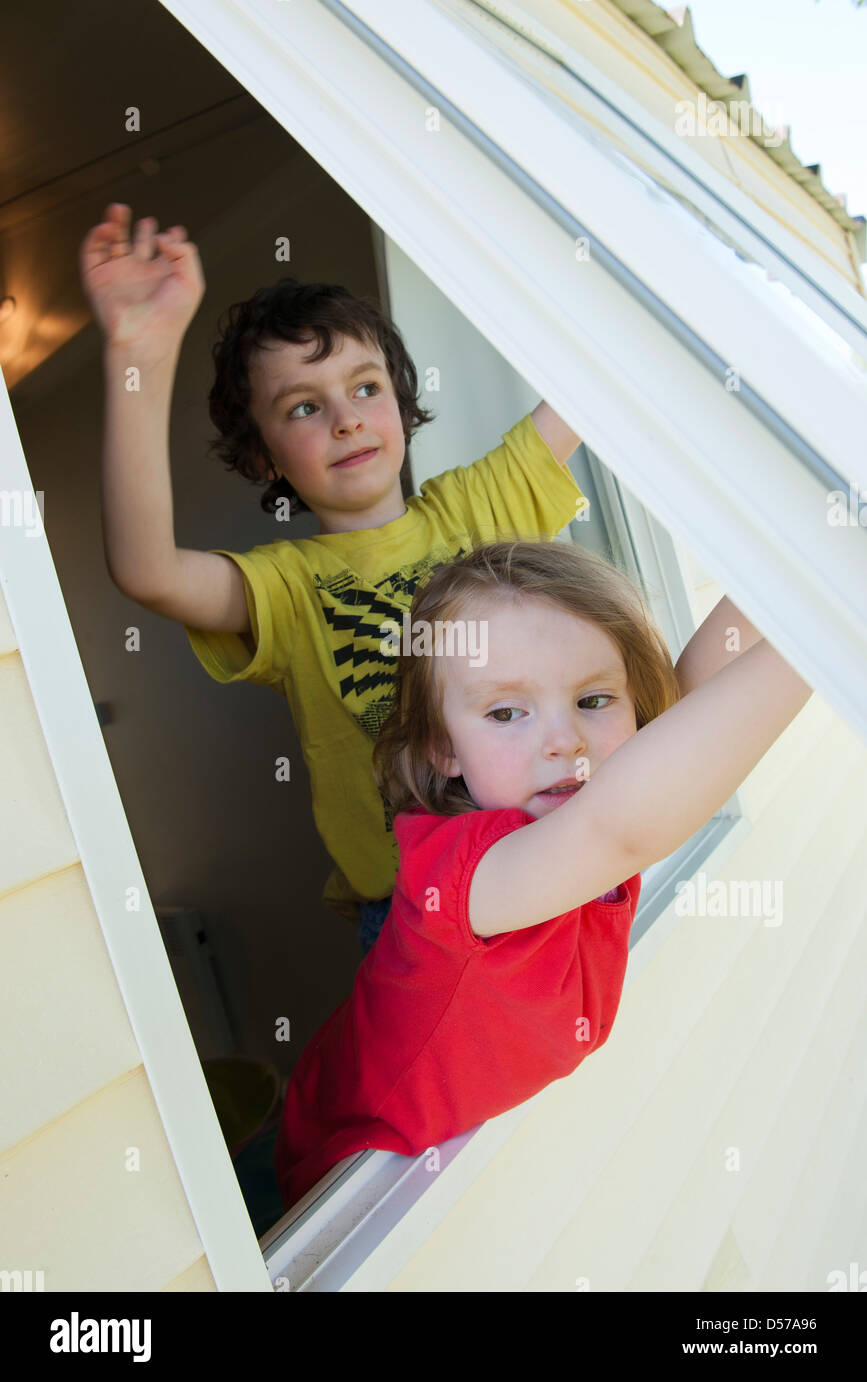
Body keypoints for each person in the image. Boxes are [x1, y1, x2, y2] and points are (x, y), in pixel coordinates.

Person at [79, 203, 590, 950]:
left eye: (365, 388)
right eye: (304, 408)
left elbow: (589, 380)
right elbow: (145, 570)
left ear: (401, 402)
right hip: (411, 914)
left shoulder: (479, 507)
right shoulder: (286, 588)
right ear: (264, 458)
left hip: (544, 855)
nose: (346, 420)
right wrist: (137, 354)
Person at [273, 538, 812, 1212]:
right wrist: (830, 620)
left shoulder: (590, 797)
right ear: (442, 747)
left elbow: (686, 709)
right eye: (506, 713)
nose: (565, 740)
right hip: (341, 1180)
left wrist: (812, 554)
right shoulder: (465, 875)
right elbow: (621, 827)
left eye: (593, 701)